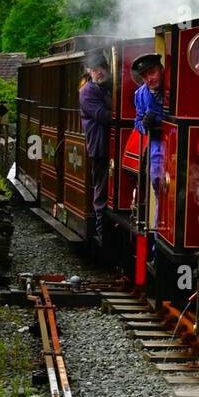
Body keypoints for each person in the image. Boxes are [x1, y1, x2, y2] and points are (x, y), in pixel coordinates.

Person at [79, 51, 112, 250]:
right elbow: (103, 116)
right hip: (99, 146)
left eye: (101, 69)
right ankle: (102, 235)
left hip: (109, 145)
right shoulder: (88, 92)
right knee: (101, 191)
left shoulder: (105, 89)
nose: (98, 73)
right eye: (95, 70)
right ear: (90, 72)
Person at [132, 52, 165, 251]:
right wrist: (145, 125)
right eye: (145, 76)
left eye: (152, 72)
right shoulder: (140, 94)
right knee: (158, 184)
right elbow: (138, 122)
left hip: (174, 143)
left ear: (161, 69)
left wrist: (159, 120)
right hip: (157, 146)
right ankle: (157, 235)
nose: (150, 79)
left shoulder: (173, 86)